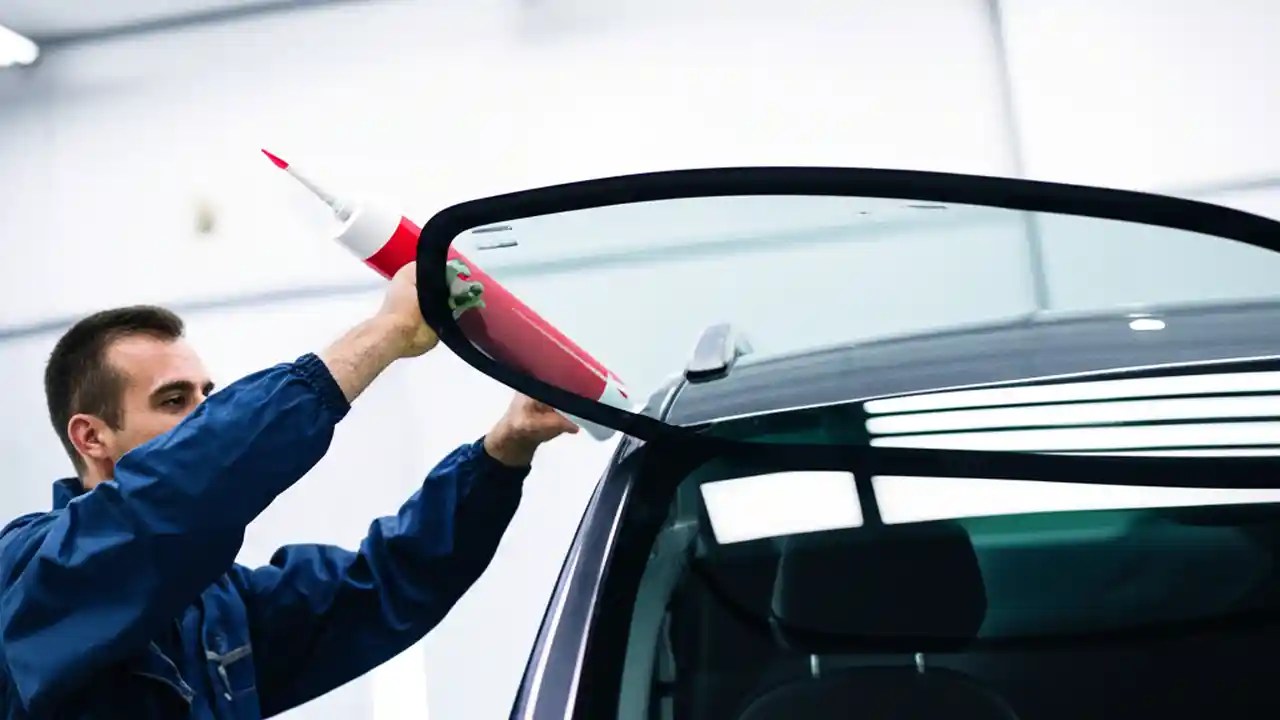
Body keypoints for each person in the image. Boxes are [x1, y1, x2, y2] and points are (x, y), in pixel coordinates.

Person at [0, 262, 578, 719]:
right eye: (175, 402)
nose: (209, 417)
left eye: (211, 395)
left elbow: (386, 585)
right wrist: (383, 336)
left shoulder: (217, 610)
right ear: (92, 437)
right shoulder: (32, 575)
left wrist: (503, 452)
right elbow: (174, 497)